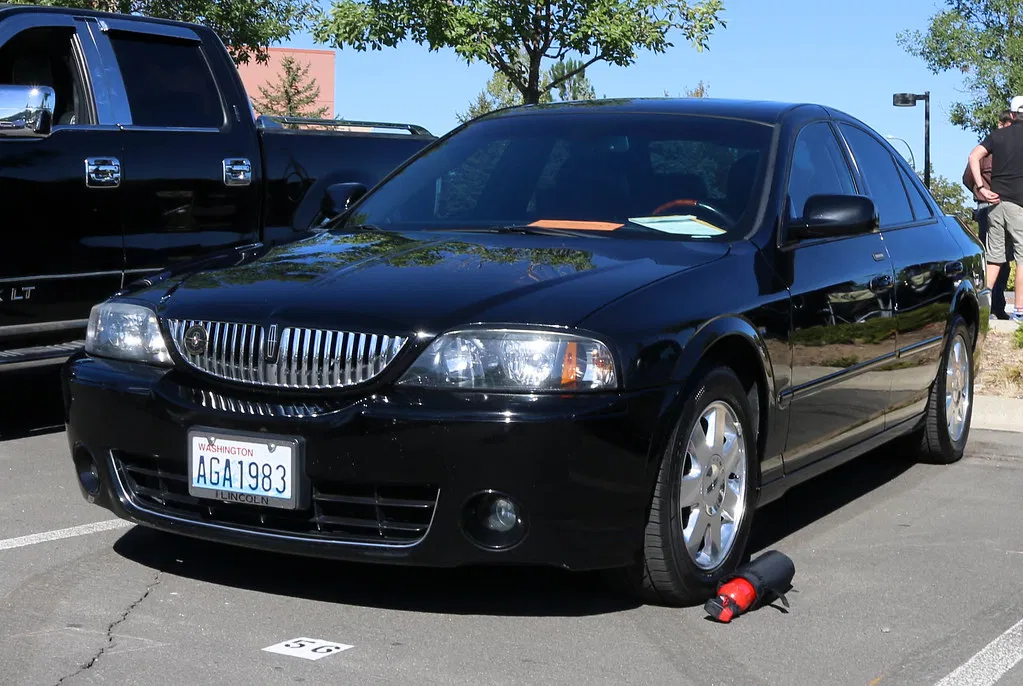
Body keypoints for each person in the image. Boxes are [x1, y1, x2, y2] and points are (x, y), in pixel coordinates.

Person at [967, 98, 1023, 323]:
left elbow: (973, 156)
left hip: (995, 203)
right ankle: (1020, 311)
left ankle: (981, 310)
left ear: (1011, 114)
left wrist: (981, 188)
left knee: (994, 259)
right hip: (1019, 205)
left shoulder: (998, 136)